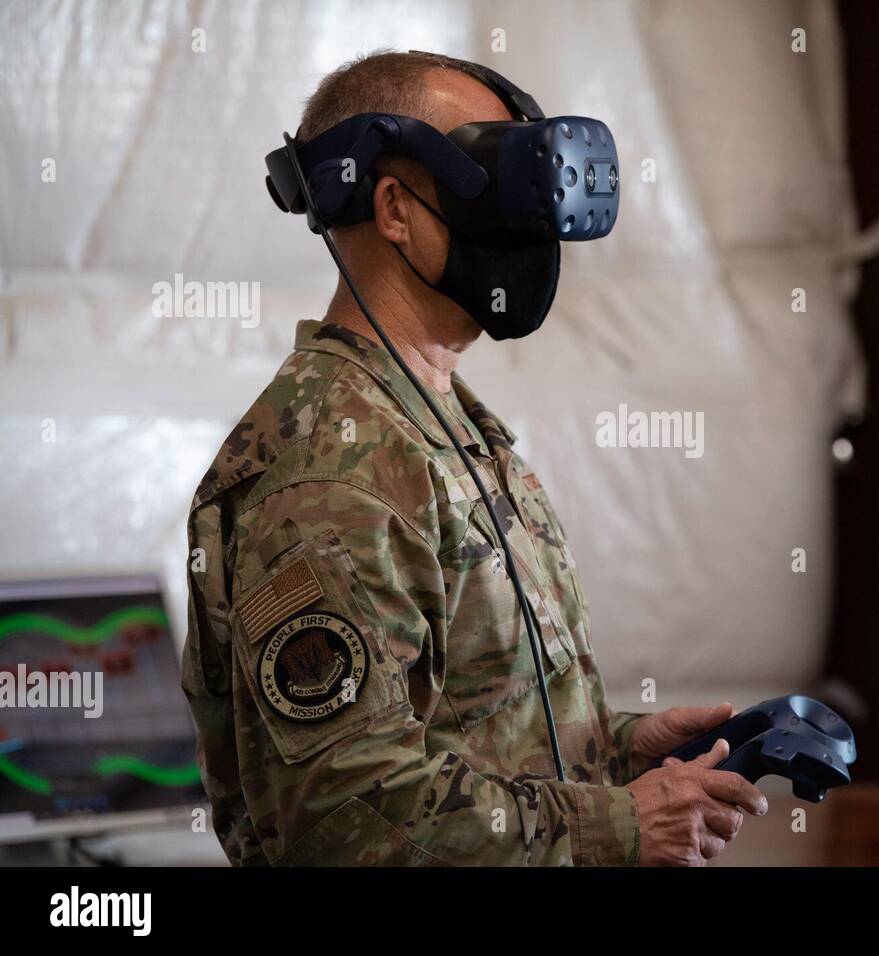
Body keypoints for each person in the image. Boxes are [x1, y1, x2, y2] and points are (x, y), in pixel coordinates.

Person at [181, 50, 766, 867]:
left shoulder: (442, 426)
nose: (530, 229)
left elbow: (464, 724)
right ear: (395, 208)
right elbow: (352, 819)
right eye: (492, 180)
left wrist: (612, 750)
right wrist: (619, 826)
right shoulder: (334, 473)